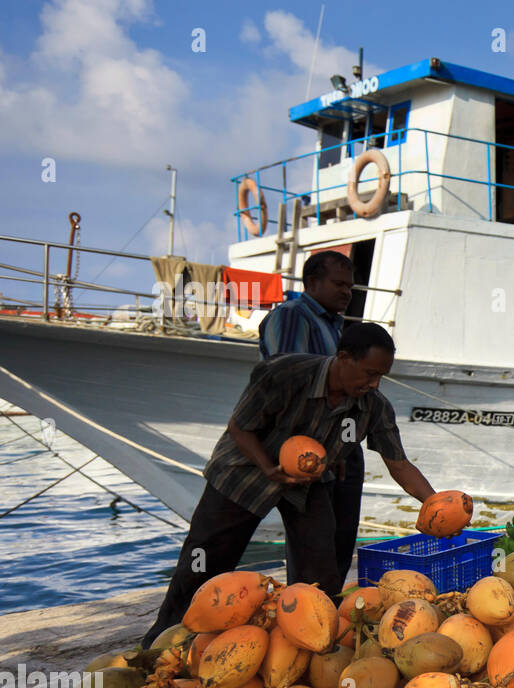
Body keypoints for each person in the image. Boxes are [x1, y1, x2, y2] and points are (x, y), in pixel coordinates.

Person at [143, 323, 438, 642]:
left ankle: (307, 639)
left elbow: (399, 463)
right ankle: (162, 641)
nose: (374, 383)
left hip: (309, 482)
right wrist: (269, 467)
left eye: (381, 376)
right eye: (369, 373)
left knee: (321, 569)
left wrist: (437, 504)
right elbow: (240, 427)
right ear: (343, 357)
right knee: (203, 560)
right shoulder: (285, 375)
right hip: (245, 471)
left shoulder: (374, 407)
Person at [257, 250, 364, 590]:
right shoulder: (292, 317)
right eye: (338, 284)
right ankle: (306, 616)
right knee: (313, 548)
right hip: (308, 451)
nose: (347, 292)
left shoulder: (333, 325)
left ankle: (328, 611)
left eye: (350, 285)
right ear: (312, 282)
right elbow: (287, 388)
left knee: (339, 539)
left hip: (338, 450)